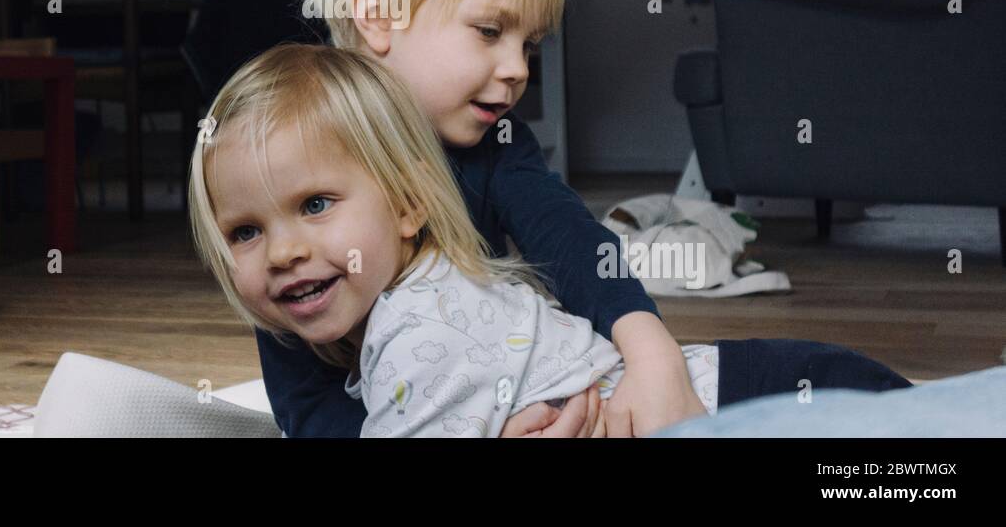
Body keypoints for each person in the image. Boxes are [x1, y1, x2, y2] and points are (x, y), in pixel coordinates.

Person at [188, 43, 909, 437]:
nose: (281, 251)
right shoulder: (396, 300)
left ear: (408, 204)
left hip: (761, 404)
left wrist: (651, 354)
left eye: (315, 205)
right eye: (245, 231)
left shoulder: (417, 331)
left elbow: (571, 239)